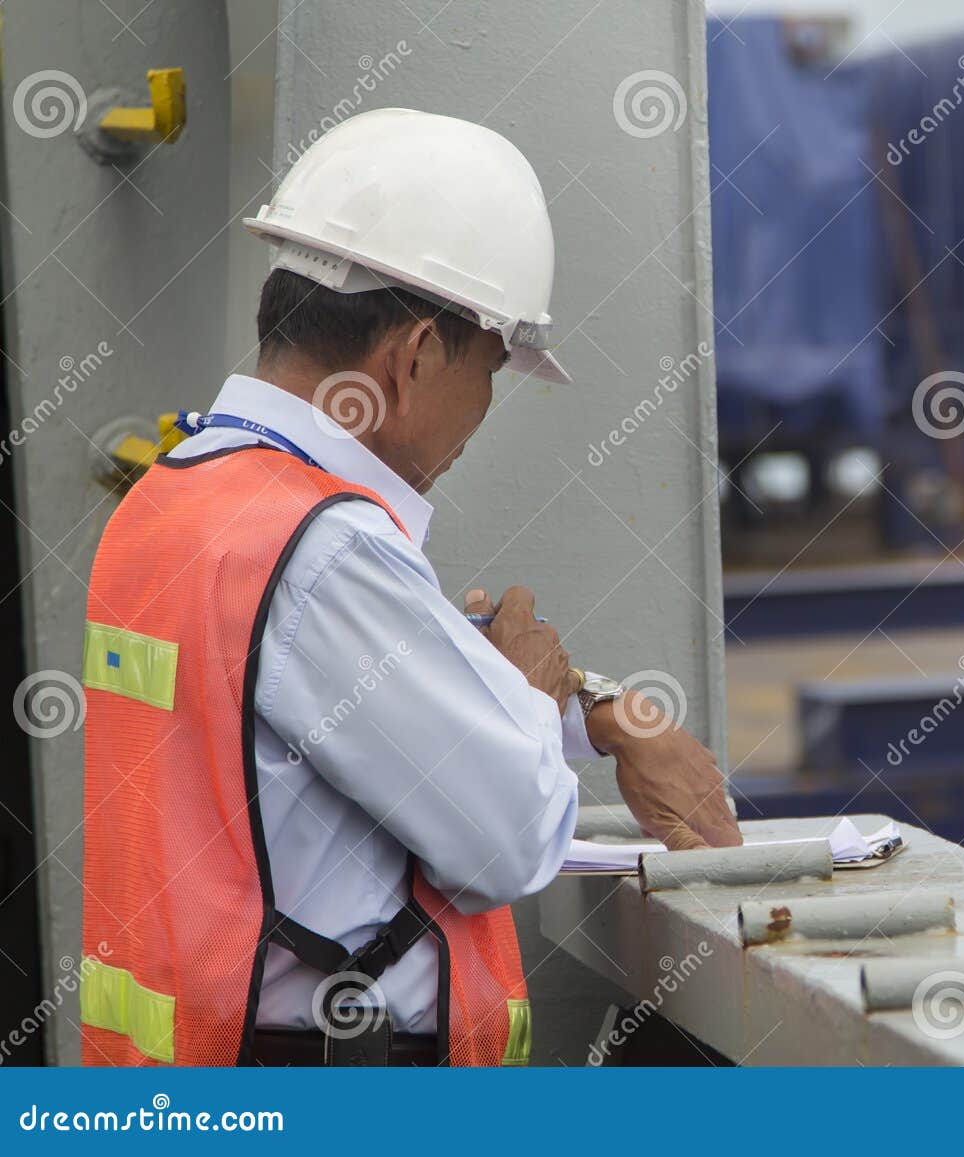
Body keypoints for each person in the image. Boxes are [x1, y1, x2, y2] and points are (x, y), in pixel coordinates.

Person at [79, 108, 740, 1068]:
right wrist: (524, 689)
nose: (484, 408)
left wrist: (590, 710)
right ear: (417, 353)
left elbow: (318, 720)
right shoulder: (326, 547)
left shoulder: (180, 495)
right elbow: (508, 840)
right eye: (491, 370)